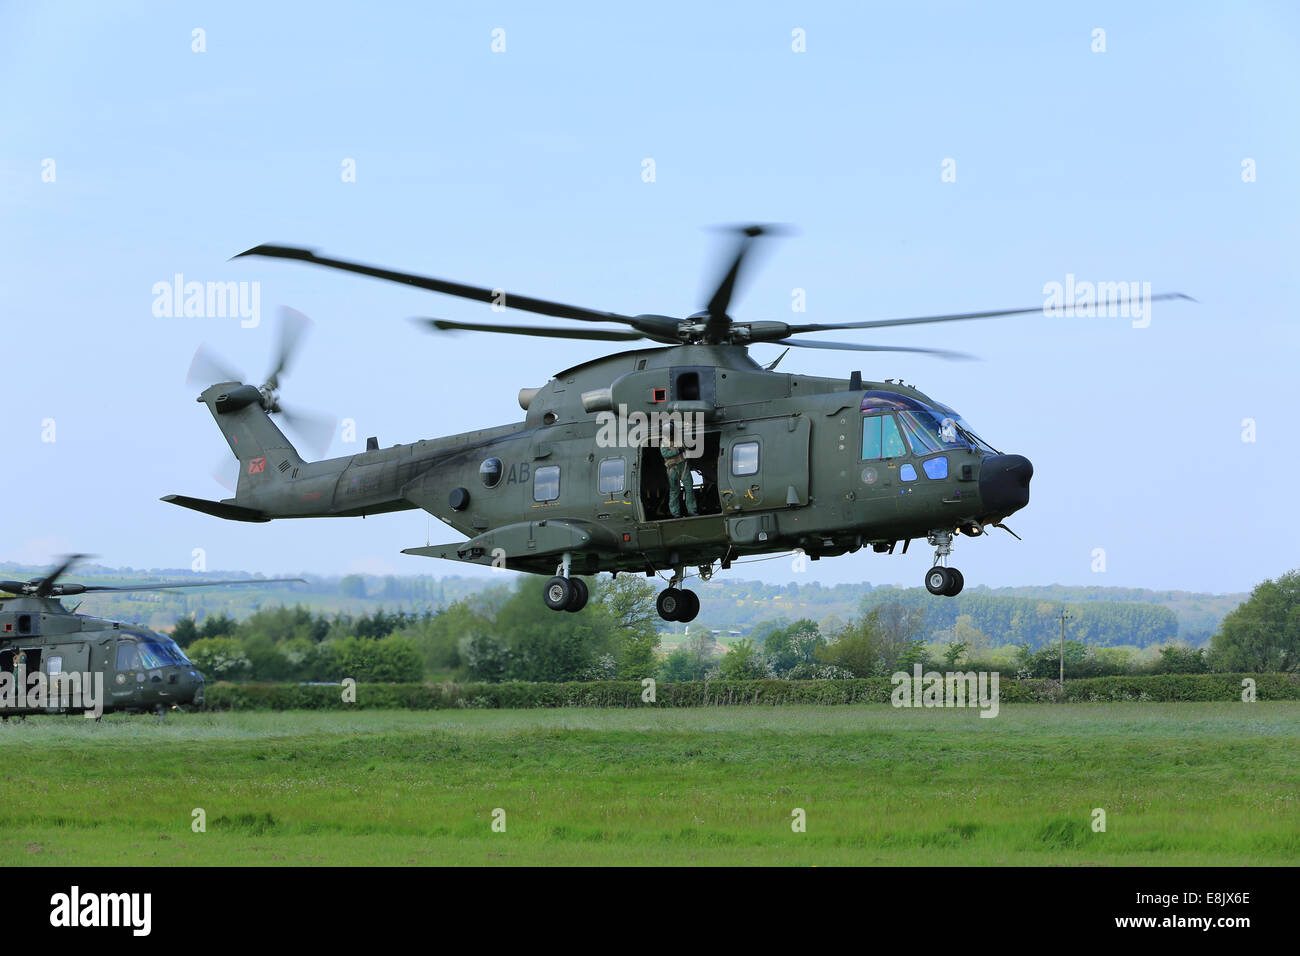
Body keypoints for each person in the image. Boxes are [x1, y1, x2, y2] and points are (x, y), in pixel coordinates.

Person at [659, 422, 698, 518]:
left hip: (683, 465)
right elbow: (665, 454)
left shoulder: (679, 437)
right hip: (672, 468)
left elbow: (689, 442)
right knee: (674, 491)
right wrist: (678, 451)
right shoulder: (664, 442)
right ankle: (675, 513)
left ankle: (692, 510)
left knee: (689, 488)